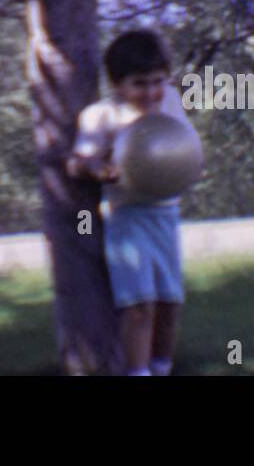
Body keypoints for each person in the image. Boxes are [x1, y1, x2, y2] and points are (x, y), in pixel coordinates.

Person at [66, 29, 197, 376]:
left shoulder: (170, 99)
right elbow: (76, 162)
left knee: (169, 305)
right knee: (139, 306)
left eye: (157, 81)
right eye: (140, 83)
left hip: (166, 214)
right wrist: (97, 166)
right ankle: (137, 371)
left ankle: (161, 367)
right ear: (117, 84)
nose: (152, 92)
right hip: (127, 218)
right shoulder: (100, 116)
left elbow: (182, 145)